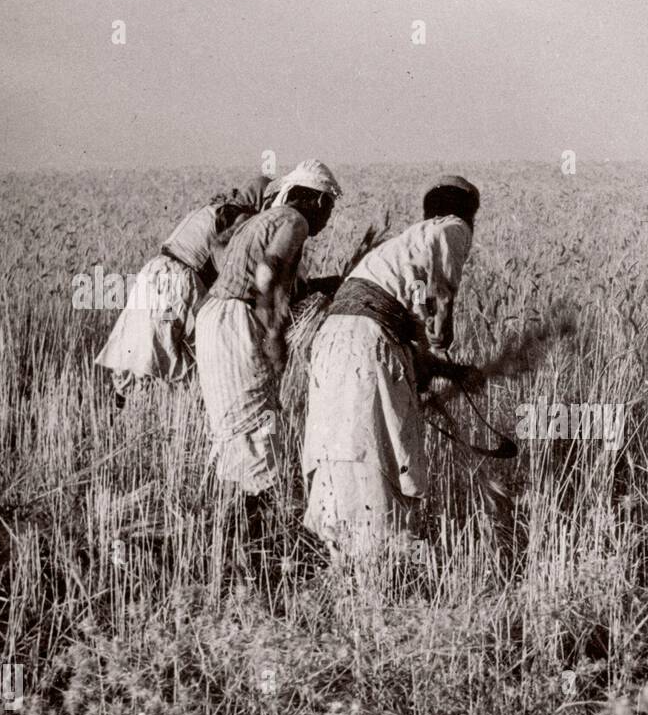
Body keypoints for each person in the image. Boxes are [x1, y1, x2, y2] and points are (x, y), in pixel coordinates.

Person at [301, 175, 481, 562]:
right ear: (467, 212)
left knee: (343, 443)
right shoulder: (452, 229)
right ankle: (378, 558)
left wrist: (448, 372)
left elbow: (406, 323)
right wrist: (442, 343)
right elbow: (440, 301)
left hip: (337, 340)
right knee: (376, 449)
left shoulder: (403, 248)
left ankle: (343, 554)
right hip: (367, 342)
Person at [196, 160, 341, 494]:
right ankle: (254, 522)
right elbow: (266, 272)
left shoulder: (261, 220)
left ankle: (234, 520)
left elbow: (222, 249)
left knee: (236, 430)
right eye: (329, 209)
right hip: (237, 323)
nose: (327, 219)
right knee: (259, 428)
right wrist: (274, 333)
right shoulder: (296, 219)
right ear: (319, 201)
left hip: (214, 318)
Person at [94, 176, 270, 398]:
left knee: (139, 345)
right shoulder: (243, 218)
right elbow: (226, 261)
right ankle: (168, 408)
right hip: (180, 281)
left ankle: (123, 404)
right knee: (187, 350)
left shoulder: (212, 208)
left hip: (153, 272)